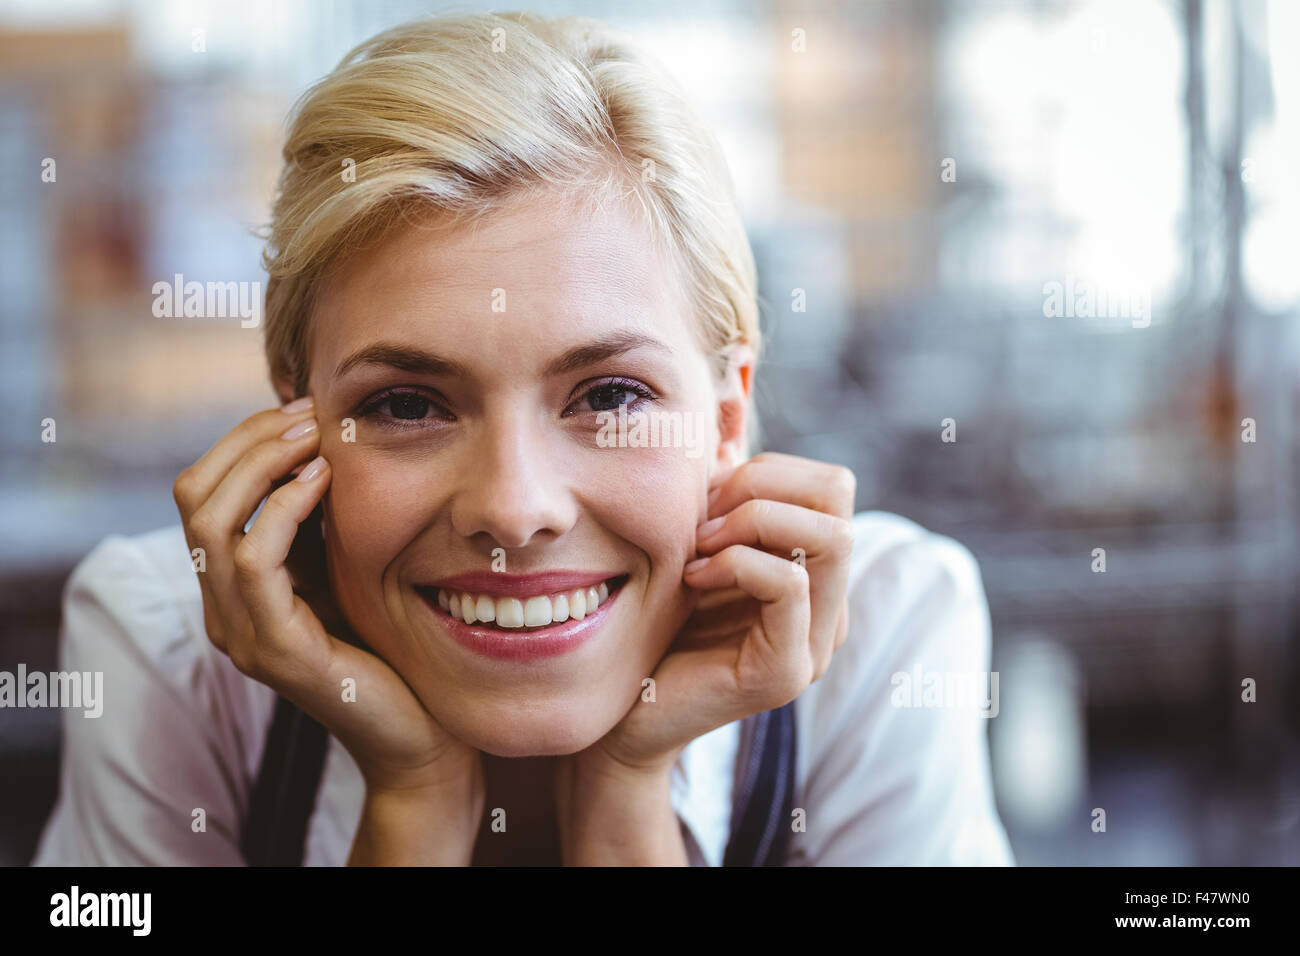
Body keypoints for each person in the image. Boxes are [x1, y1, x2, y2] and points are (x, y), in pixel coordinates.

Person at [32, 10, 1013, 866]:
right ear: (298, 426)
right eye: (409, 405)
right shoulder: (165, 646)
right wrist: (411, 799)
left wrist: (629, 788)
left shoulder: (885, 633)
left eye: (610, 394)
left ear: (724, 414)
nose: (513, 505)